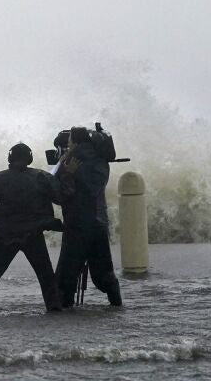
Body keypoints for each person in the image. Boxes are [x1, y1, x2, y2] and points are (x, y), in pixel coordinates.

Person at [0, 143, 64, 312]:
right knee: (46, 275)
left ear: (10, 158)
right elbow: (61, 196)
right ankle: (54, 308)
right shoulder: (41, 176)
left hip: (7, 235)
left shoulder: (0, 178)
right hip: (33, 234)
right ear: (29, 158)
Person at [54, 126, 123, 307]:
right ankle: (117, 303)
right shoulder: (101, 161)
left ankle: (65, 307)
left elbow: (62, 194)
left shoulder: (69, 161)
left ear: (74, 142)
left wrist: (67, 174)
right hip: (99, 224)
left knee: (66, 274)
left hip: (77, 225)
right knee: (104, 272)